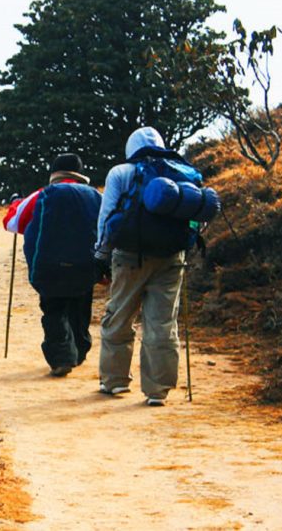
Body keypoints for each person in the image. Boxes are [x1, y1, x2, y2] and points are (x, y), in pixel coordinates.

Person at [93, 126, 197, 406]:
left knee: (119, 316)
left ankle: (114, 382)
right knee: (162, 322)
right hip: (172, 258)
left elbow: (107, 217)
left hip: (130, 257)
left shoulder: (121, 173)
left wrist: (101, 255)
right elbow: (197, 216)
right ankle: (157, 390)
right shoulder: (180, 171)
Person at [3, 153, 102, 377]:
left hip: (50, 265)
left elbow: (12, 223)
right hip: (86, 265)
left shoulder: (42, 195)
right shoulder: (96, 196)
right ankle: (79, 353)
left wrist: (16, 204)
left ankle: (61, 359)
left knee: (54, 309)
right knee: (80, 307)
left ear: (54, 173)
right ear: (80, 174)